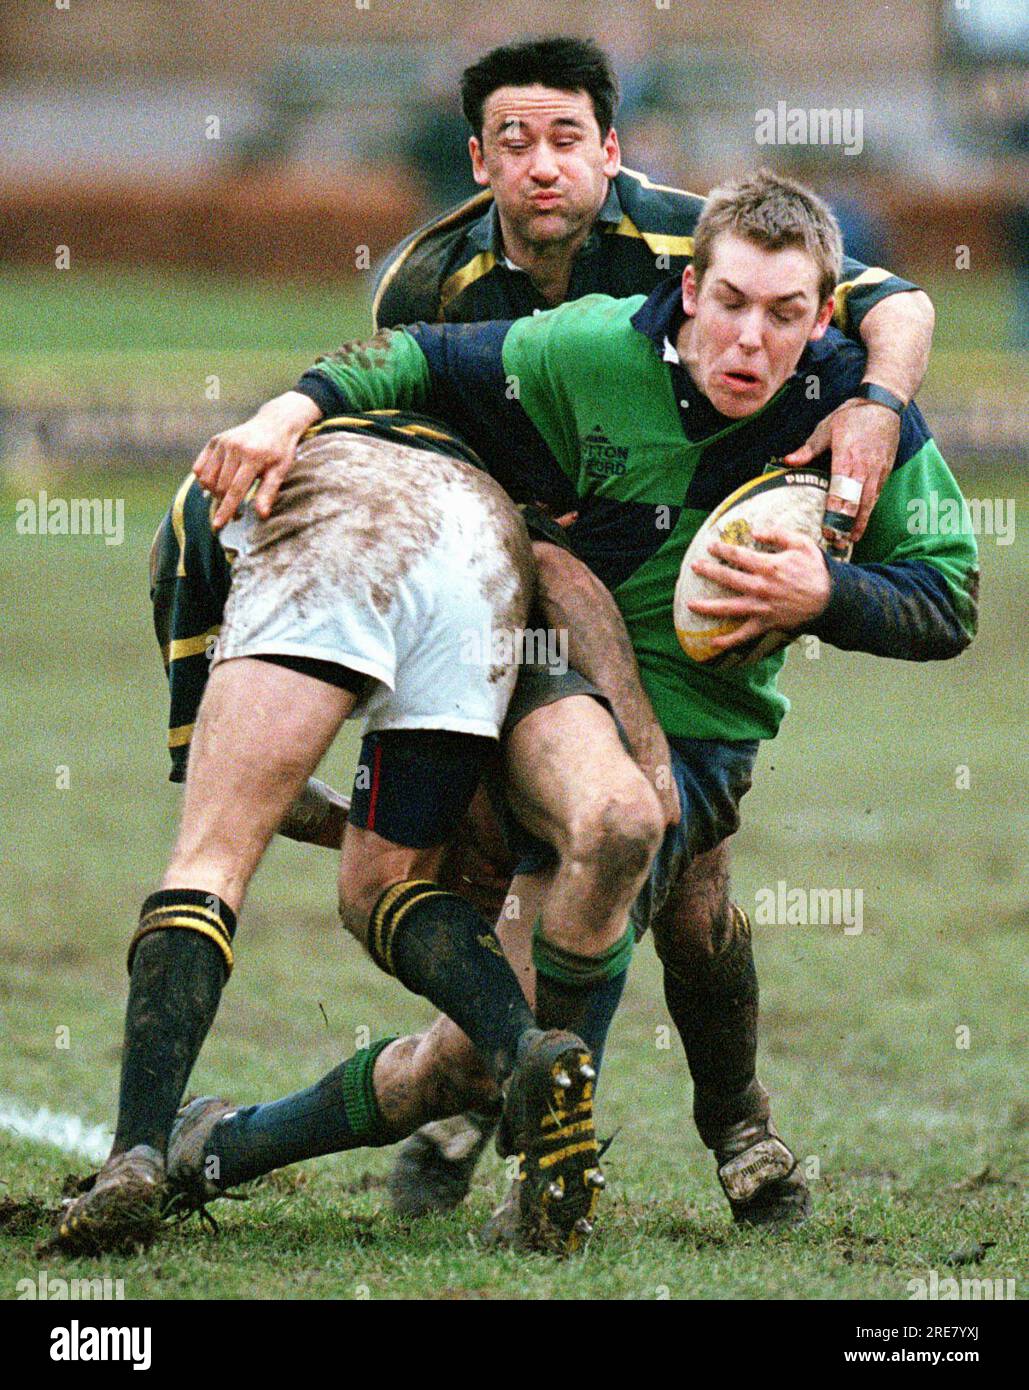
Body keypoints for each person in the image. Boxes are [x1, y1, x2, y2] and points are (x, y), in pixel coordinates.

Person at [195, 35, 941, 1223]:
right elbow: (404, 389)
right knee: (604, 851)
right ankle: (534, 1124)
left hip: (683, 680)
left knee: (677, 906)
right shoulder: (474, 303)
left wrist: (878, 418)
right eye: (513, 141)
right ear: (477, 160)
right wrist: (294, 415)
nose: (752, 334)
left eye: (783, 313)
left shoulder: (733, 275)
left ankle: (650, 1118)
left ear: (610, 151)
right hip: (513, 646)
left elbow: (901, 309)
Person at [53, 424, 617, 1258]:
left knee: (211, 857)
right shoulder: (430, 419)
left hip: (335, 519)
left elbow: (259, 793)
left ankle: (133, 1156)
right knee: (384, 883)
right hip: (480, 536)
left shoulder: (199, 515)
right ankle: (526, 1051)